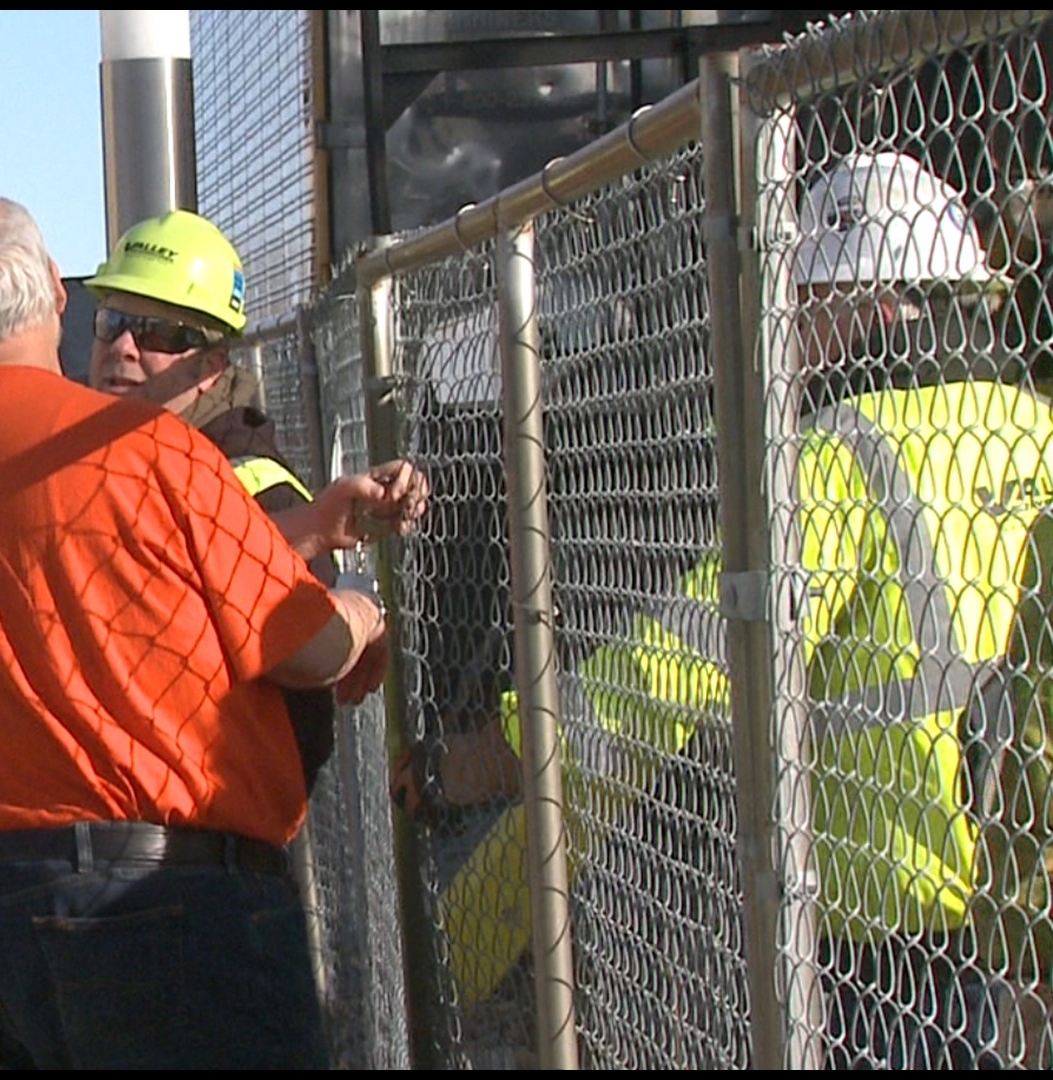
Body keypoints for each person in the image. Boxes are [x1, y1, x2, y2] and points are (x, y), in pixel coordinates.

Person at [391, 151, 1053, 1068]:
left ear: (871, 301)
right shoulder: (1033, 428)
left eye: (802, 303)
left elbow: (666, 674)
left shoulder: (838, 454)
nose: (787, 334)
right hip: (1005, 925)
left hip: (879, 945)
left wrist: (485, 757)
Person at [0, 192, 393, 1070]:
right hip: (145, 903)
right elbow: (304, 648)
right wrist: (359, 612)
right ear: (58, 295)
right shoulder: (150, 451)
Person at [86, 208, 430, 787]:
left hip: (201, 814)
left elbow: (305, 647)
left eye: (159, 334)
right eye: (112, 321)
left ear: (212, 366)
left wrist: (360, 607)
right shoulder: (92, 455)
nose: (122, 346)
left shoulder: (253, 480)